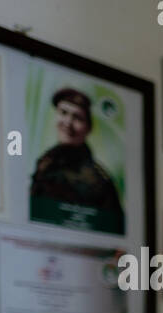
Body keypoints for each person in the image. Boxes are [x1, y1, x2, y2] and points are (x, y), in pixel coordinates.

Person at [29, 87, 125, 235]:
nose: (68, 122)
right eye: (63, 113)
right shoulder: (45, 162)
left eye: (77, 118)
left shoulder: (99, 180)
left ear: (88, 128)